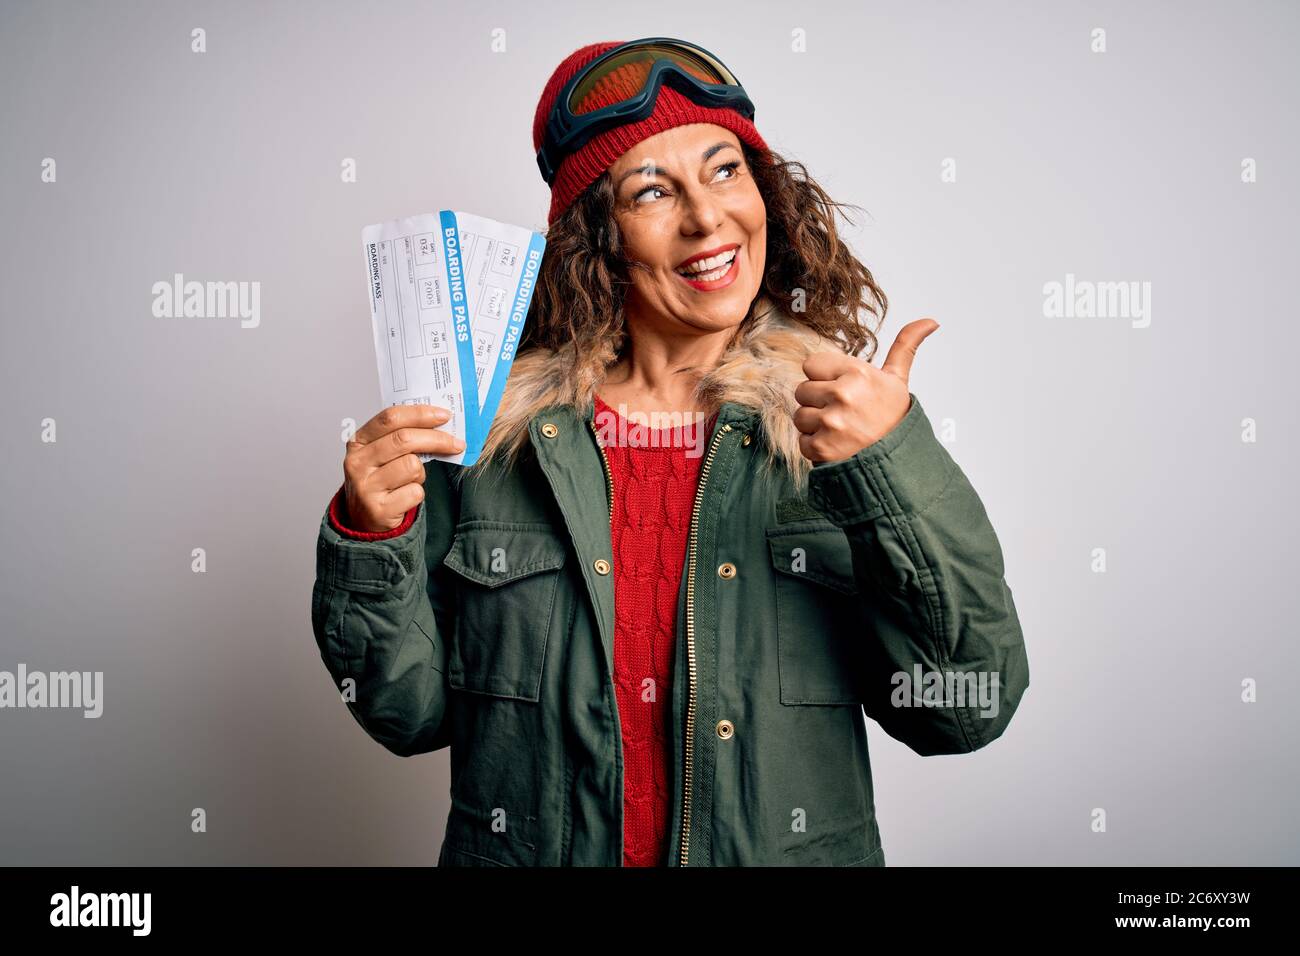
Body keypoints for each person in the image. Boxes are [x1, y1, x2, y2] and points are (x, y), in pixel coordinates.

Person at [311, 37, 1029, 867]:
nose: (707, 217)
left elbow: (964, 710)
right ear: (598, 237)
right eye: (653, 190)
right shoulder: (491, 441)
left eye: (726, 171)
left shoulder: (839, 431)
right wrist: (370, 537)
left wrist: (887, 469)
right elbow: (408, 713)